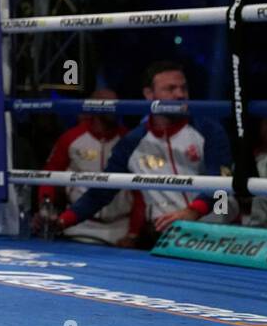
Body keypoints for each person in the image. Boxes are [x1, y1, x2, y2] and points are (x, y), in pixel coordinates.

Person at [57, 62, 234, 246]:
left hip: (212, 233)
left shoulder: (209, 131)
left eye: (183, 88)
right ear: (149, 95)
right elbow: (102, 190)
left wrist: (193, 212)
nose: (180, 95)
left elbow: (222, 180)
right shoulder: (132, 142)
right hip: (164, 236)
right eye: (171, 89)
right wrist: (62, 221)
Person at [32, 89, 132, 244]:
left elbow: (140, 191)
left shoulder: (128, 139)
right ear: (93, 107)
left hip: (120, 227)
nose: (115, 108)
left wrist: (134, 233)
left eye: (117, 104)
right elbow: (49, 175)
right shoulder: (72, 138)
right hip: (79, 225)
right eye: (109, 104)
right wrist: (46, 208)